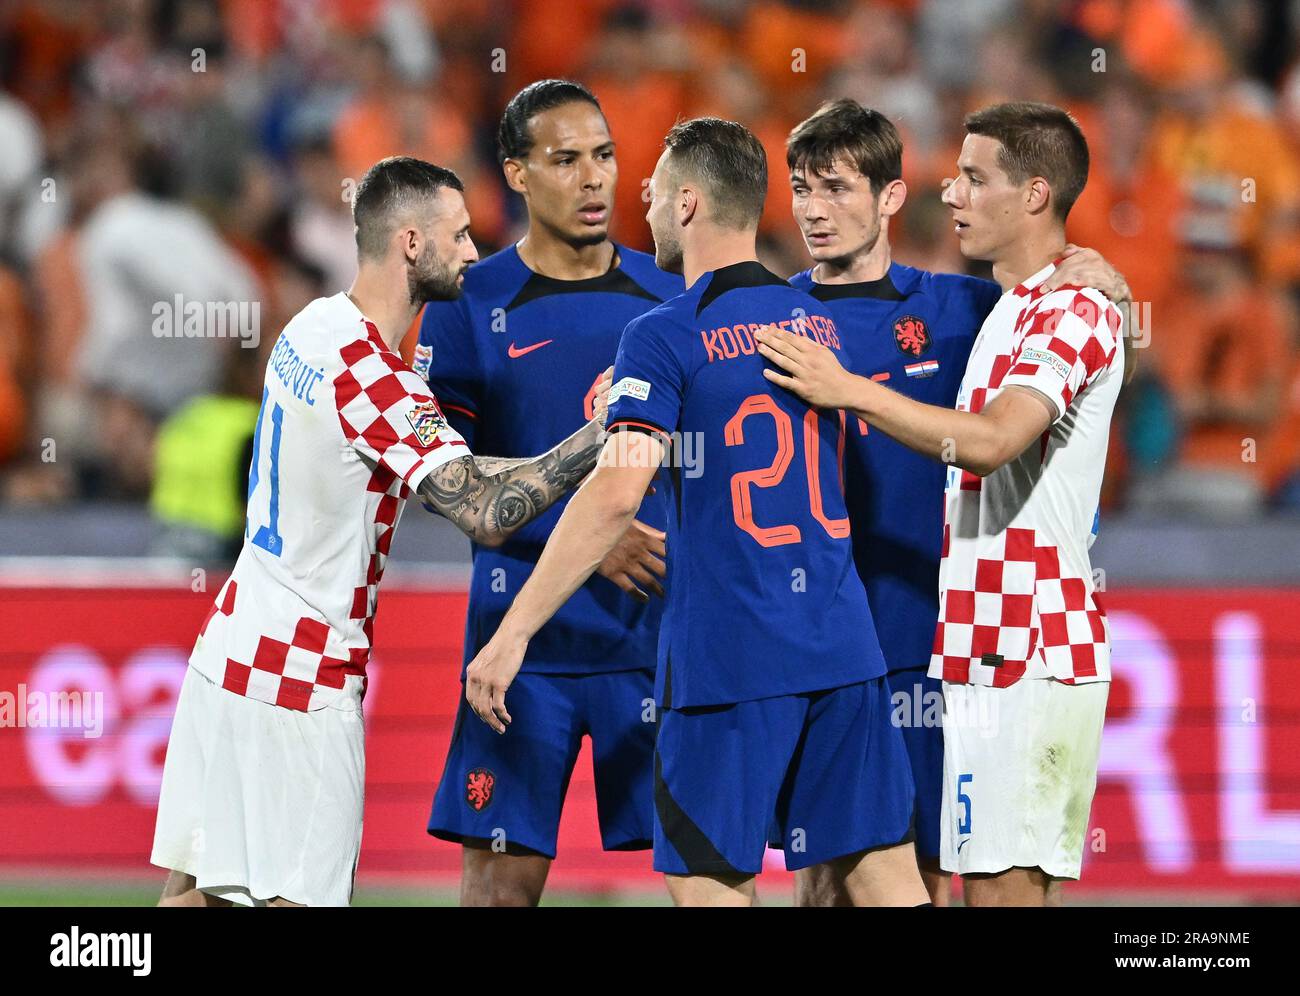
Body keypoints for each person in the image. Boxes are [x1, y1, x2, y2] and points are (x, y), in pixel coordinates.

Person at [464, 118, 926, 908]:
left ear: (686, 203)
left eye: (651, 197)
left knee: (710, 883)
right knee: (886, 878)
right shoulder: (817, 326)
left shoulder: (664, 333)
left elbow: (615, 492)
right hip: (845, 651)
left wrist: (513, 632)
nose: (639, 215)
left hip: (729, 664)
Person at [150, 157, 611, 907]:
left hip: (230, 648)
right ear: (408, 243)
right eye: (459, 236)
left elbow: (431, 459)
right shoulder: (378, 377)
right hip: (302, 678)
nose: (472, 252)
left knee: (196, 895)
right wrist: (606, 433)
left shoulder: (315, 327)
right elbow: (484, 511)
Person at [757, 102, 1125, 907]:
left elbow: (1000, 434)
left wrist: (1113, 291)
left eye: (836, 187)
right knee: (827, 885)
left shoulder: (972, 309)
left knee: (952, 880)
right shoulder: (769, 318)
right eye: (800, 189)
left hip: (992, 645)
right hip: (860, 645)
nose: (813, 208)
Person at [419, 80, 682, 906]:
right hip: (521, 650)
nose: (594, 177)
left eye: (603, 155)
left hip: (658, 641)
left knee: (707, 881)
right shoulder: (470, 305)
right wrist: (592, 536)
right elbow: (449, 487)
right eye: (566, 159)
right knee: (501, 890)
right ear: (519, 175)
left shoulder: (673, 297)